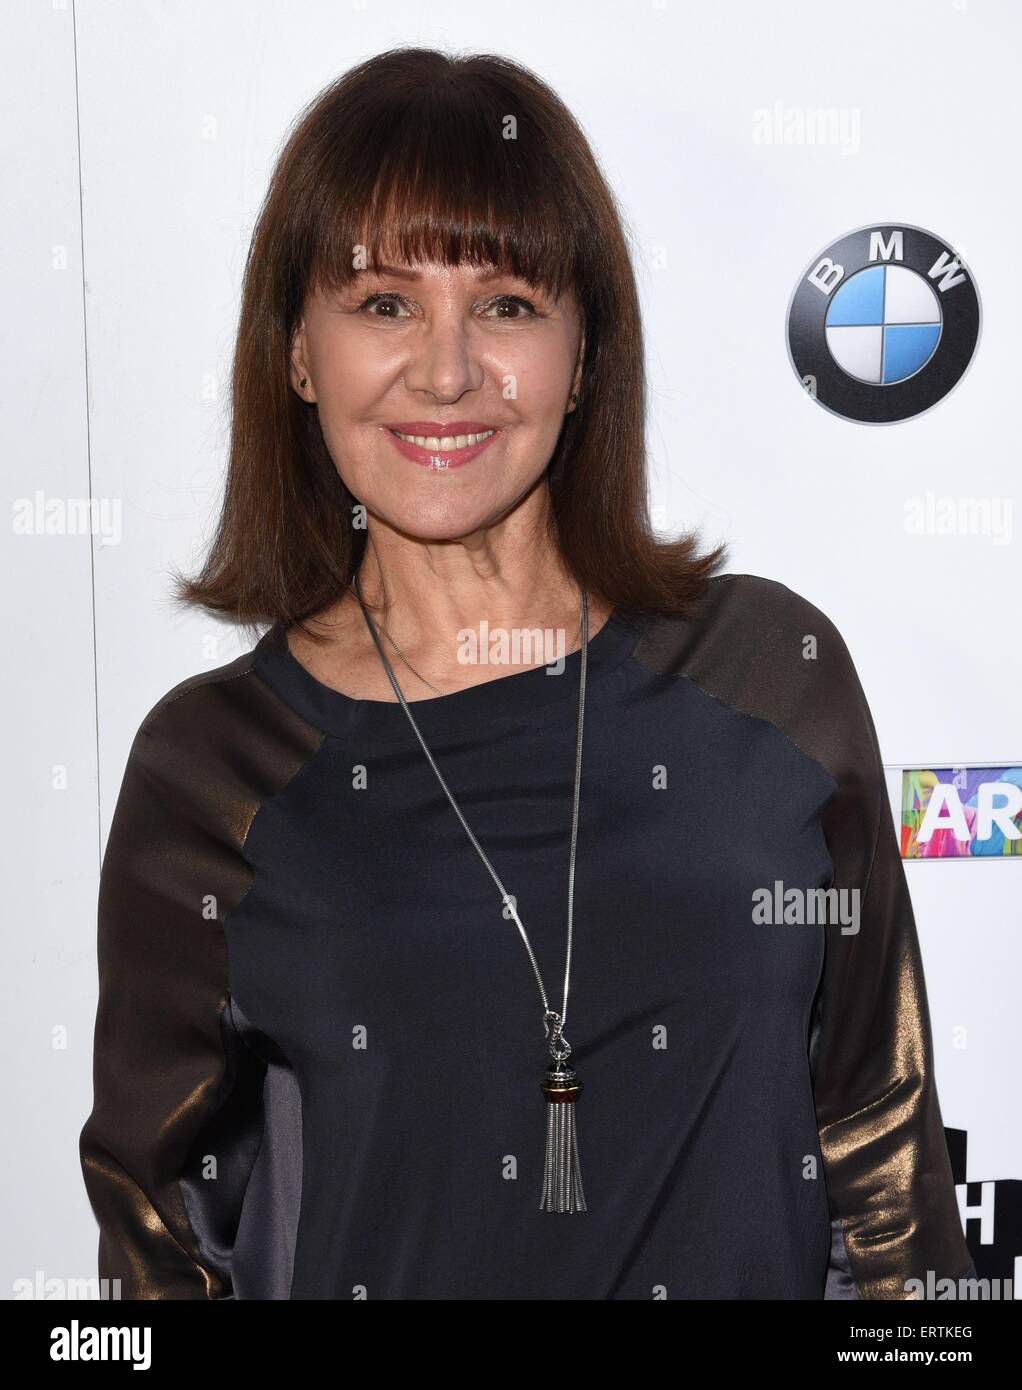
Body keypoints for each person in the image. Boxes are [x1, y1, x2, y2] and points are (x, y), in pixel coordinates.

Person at [78, 46, 973, 1300]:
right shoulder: (216, 769)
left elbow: (880, 1148)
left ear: (583, 350)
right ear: (295, 351)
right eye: (382, 303)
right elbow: (161, 1250)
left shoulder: (770, 673)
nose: (445, 373)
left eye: (505, 304)